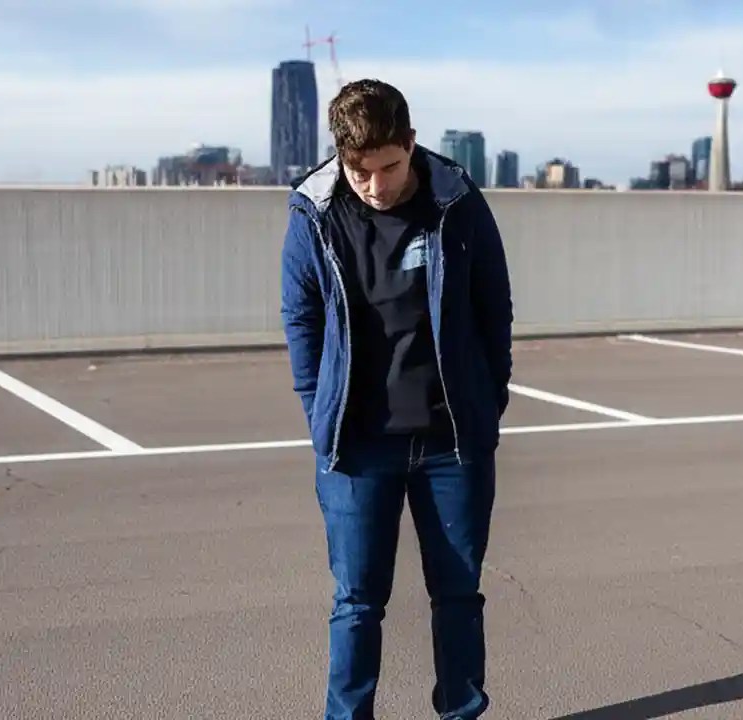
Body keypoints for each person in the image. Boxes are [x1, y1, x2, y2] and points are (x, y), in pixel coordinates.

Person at [279, 78, 514, 720]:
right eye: (360, 172)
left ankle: (460, 713)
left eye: (388, 167)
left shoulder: (457, 201)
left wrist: (488, 400)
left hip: (451, 443)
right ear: (341, 157)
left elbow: (494, 303)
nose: (376, 186)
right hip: (357, 447)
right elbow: (300, 318)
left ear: (411, 144)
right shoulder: (314, 212)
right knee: (356, 601)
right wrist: (315, 405)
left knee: (459, 594)